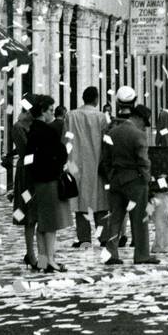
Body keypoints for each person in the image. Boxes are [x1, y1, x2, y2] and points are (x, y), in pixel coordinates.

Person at [98, 104, 159, 265]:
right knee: (139, 219)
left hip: (116, 180)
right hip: (135, 181)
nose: (144, 127)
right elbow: (143, 162)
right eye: (144, 122)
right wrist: (146, 180)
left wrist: (111, 175)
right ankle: (141, 255)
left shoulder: (112, 132)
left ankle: (111, 253)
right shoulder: (138, 135)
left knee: (116, 218)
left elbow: (105, 160)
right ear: (138, 118)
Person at [23, 95, 70, 273]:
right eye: (51, 110)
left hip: (36, 181)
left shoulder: (32, 130)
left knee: (41, 223)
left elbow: (28, 158)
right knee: (50, 224)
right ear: (43, 111)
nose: (52, 113)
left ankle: (42, 260)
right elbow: (61, 154)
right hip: (49, 179)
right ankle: (50, 259)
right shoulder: (48, 132)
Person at [66, 86, 110, 249]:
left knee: (80, 204)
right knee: (101, 203)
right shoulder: (101, 118)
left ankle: (84, 238)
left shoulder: (71, 116)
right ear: (96, 99)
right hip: (97, 163)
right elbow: (106, 142)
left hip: (76, 164)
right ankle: (104, 236)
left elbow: (66, 139)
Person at [10, 105, 39, 271]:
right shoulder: (19, 127)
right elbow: (25, 149)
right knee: (29, 213)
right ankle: (31, 253)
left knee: (35, 213)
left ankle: (35, 254)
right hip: (27, 173)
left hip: (35, 171)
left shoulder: (32, 125)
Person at [149, 108, 168, 256]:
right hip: (167, 183)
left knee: (162, 216)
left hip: (159, 183)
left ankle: (161, 243)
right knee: (166, 214)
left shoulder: (159, 139)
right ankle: (165, 242)